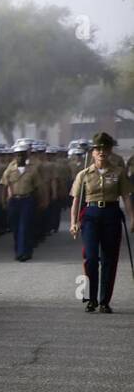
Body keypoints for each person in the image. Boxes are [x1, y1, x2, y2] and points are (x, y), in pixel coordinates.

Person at [70, 132, 134, 313]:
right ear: (93, 152)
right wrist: (73, 222)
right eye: (98, 149)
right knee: (90, 257)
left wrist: (132, 218)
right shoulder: (83, 174)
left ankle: (104, 300)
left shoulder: (118, 172)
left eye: (105, 148)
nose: (101, 152)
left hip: (112, 214)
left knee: (109, 259)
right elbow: (76, 200)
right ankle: (91, 298)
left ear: (110, 150)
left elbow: (127, 197)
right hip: (90, 215)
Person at [0, 139, 44, 261]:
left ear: (26, 156)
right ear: (15, 156)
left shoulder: (32, 170)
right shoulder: (9, 170)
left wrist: (42, 201)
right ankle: (19, 250)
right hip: (14, 201)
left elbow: (38, 188)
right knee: (15, 228)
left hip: (27, 200)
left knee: (25, 226)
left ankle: (24, 252)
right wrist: (4, 201)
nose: (20, 157)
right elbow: (4, 185)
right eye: (18, 155)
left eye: (22, 155)